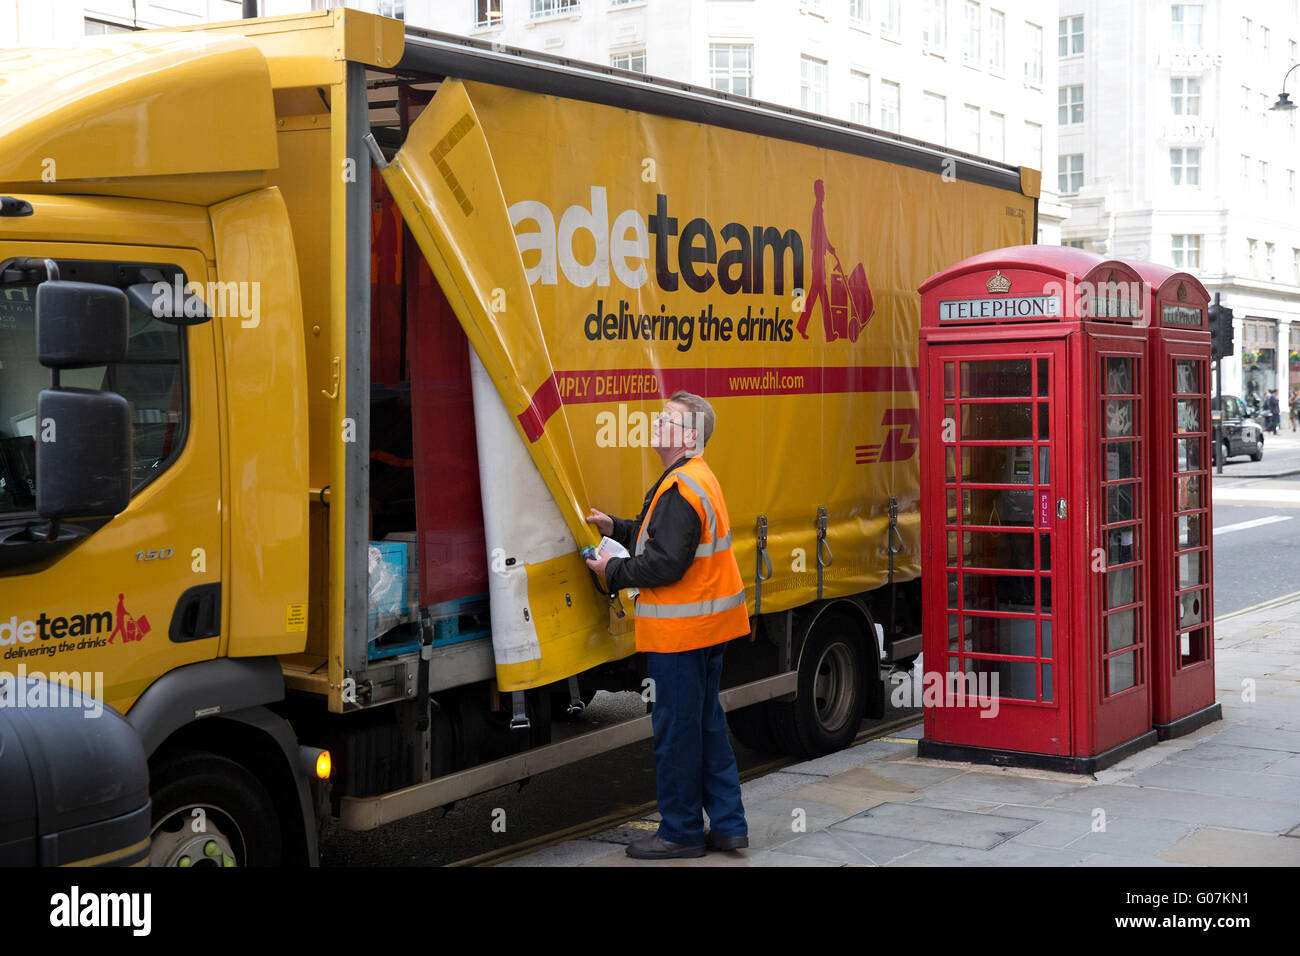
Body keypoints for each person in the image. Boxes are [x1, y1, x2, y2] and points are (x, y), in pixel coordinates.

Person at [584, 391, 751, 859]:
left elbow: (664, 563)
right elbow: (660, 537)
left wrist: (610, 573)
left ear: (690, 437)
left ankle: (680, 832)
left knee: (677, 733)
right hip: (706, 629)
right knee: (706, 727)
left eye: (668, 420)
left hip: (680, 635)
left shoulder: (681, 488)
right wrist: (615, 528)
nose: (657, 423)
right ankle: (729, 826)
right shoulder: (692, 479)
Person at [795, 179, 838, 342]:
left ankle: (804, 326)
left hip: (818, 258)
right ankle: (828, 333)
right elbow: (820, 235)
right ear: (818, 192)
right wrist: (828, 248)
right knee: (821, 297)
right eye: (822, 190)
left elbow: (821, 235)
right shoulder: (818, 210)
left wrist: (829, 247)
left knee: (816, 296)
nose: (824, 194)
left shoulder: (818, 209)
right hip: (818, 260)